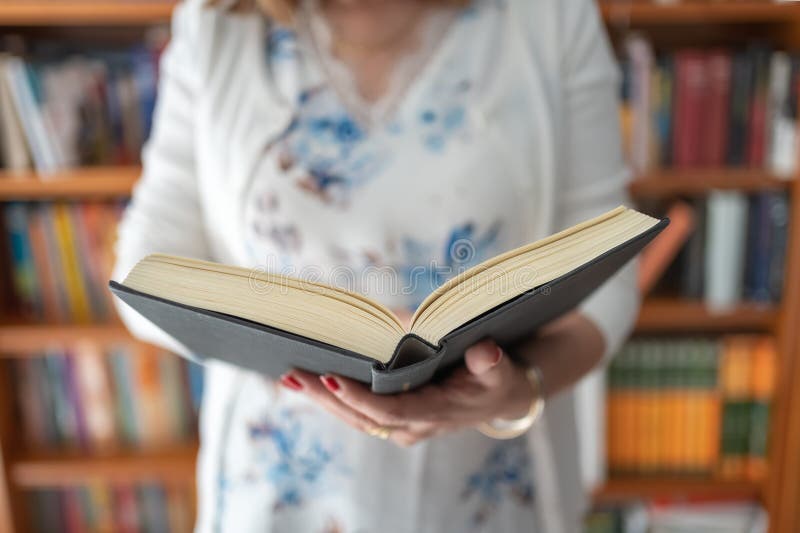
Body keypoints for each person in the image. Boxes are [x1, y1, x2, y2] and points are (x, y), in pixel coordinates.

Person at [112, 0, 639, 531]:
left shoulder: (553, 18)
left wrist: (524, 384)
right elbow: (143, 269)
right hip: (278, 494)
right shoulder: (216, 27)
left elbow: (609, 273)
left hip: (491, 490)